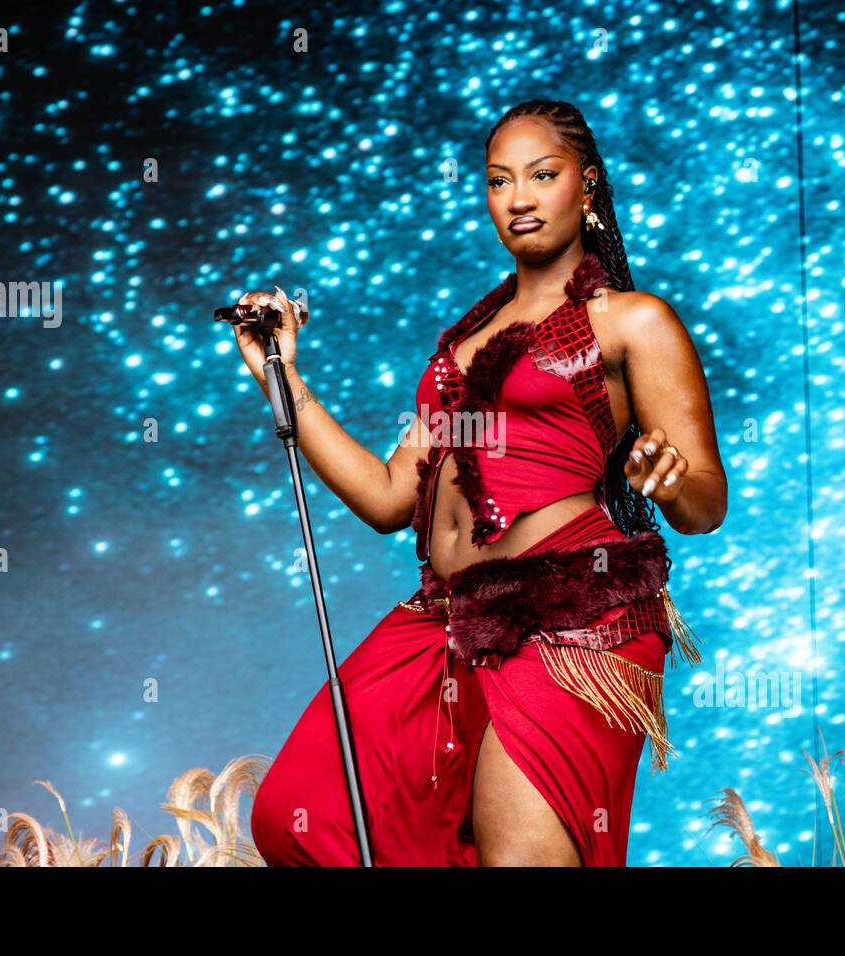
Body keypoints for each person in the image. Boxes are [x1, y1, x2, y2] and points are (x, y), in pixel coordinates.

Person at [232, 99, 727, 866]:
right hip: (445, 621)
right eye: (500, 181)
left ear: (587, 186)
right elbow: (389, 499)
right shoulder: (461, 344)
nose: (519, 198)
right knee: (302, 813)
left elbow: (704, 505)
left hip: (574, 618)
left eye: (542, 175)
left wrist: (667, 481)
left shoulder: (632, 322)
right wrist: (282, 376)